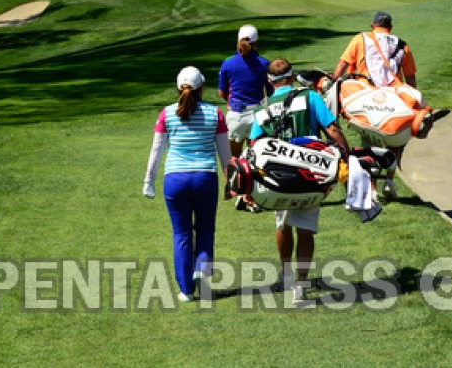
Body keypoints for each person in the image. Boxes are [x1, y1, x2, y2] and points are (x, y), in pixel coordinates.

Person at [248, 58, 349, 304]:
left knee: (283, 224)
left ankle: (287, 274)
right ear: (292, 78)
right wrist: (347, 154)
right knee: (305, 229)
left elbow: (254, 145)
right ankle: (301, 286)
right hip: (310, 175)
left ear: (269, 83)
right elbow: (332, 129)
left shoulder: (262, 108)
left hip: (277, 178)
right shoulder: (310, 97)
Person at [143, 66, 233, 303]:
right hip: (205, 179)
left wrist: (148, 181)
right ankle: (201, 272)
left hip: (175, 180)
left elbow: (156, 151)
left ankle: (186, 290)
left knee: (181, 234)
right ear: (202, 87)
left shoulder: (167, 113)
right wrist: (231, 182)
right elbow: (225, 155)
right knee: (205, 229)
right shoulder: (215, 114)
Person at [332, 11, 421, 200]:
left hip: (368, 97)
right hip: (394, 99)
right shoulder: (402, 45)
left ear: (373, 25)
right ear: (390, 28)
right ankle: (389, 180)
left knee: (369, 143)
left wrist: (333, 85)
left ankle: (372, 188)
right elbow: (411, 78)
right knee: (397, 139)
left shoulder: (360, 39)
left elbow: (342, 66)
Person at [218, 24, 270, 157]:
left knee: (234, 161)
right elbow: (270, 93)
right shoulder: (264, 63)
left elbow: (222, 92)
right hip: (258, 115)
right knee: (257, 159)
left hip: (236, 115)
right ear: (256, 43)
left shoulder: (228, 63)